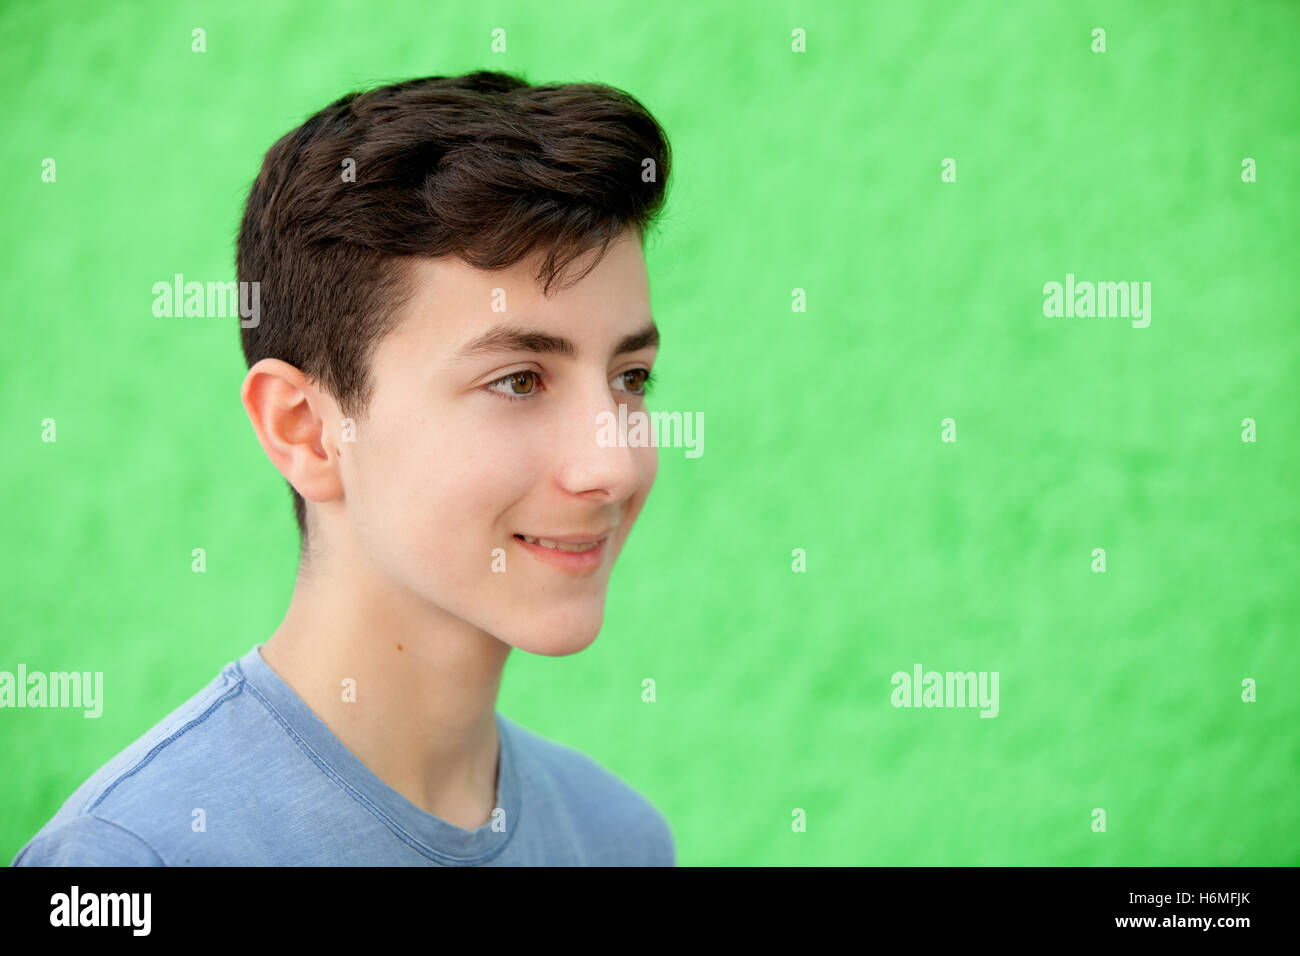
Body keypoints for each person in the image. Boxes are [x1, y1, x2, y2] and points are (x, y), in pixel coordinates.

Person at [13, 70, 675, 866]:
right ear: (307, 431)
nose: (612, 463)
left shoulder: (619, 840)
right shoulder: (132, 859)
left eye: (629, 378)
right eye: (519, 380)